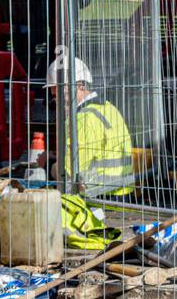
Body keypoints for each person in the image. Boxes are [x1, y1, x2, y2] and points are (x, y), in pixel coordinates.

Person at [44, 56, 134, 197]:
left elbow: (68, 173)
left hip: (99, 196)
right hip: (121, 191)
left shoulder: (82, 118)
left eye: (60, 93)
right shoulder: (108, 107)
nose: (57, 100)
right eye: (55, 96)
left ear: (79, 85)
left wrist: (48, 165)